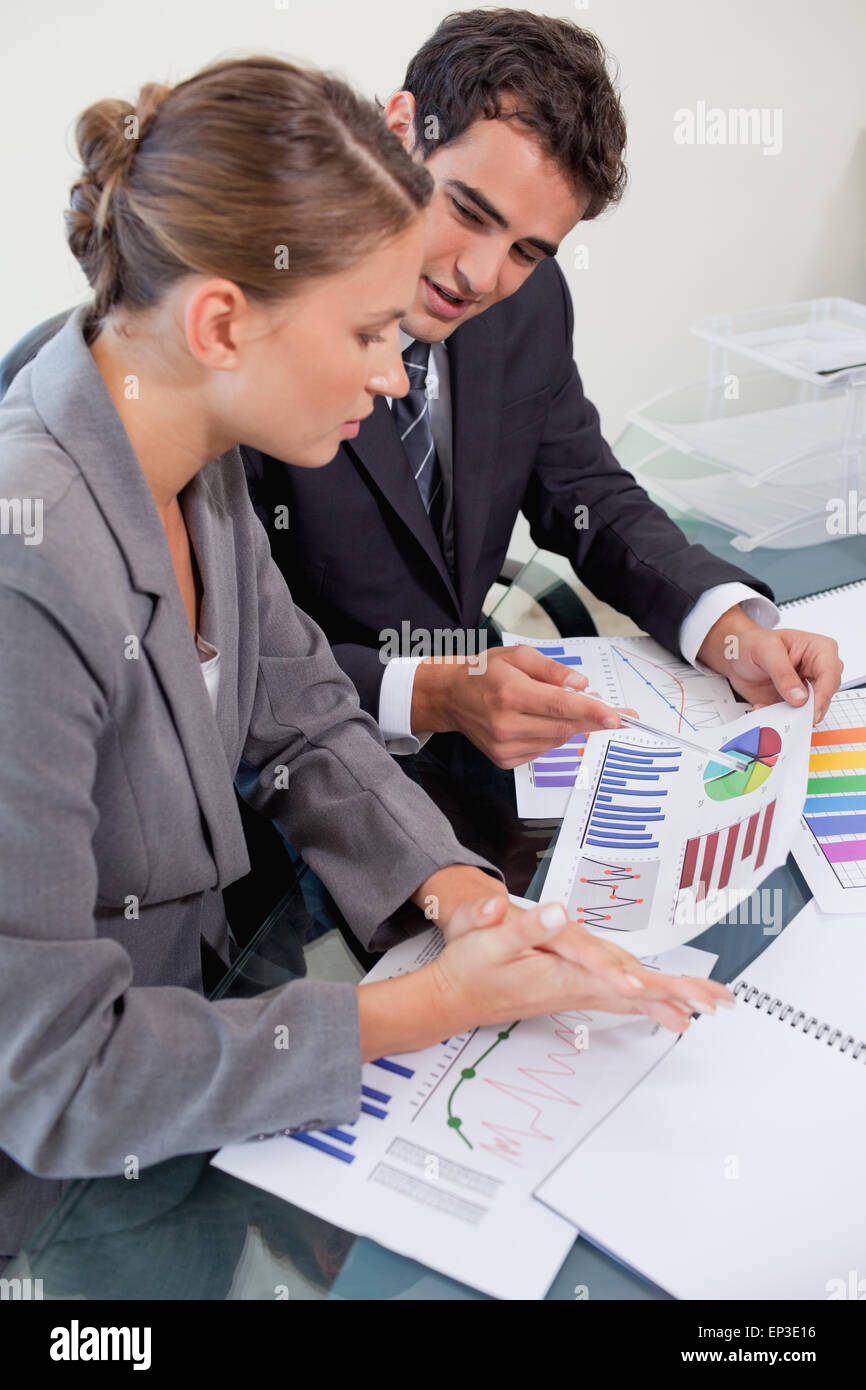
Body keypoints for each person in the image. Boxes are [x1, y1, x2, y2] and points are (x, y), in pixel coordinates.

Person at [0, 55, 731, 1265]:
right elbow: (58, 1080)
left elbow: (301, 719)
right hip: (58, 1195)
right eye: (367, 333)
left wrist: (474, 906)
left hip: (199, 1072)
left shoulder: (202, 454)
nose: (399, 373)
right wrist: (420, 1007)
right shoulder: (31, 563)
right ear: (223, 320)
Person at [243, 8, 843, 771]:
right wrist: (431, 692)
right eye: (466, 211)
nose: (481, 277)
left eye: (528, 249)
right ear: (400, 131)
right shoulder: (262, 325)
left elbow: (585, 490)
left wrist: (729, 626)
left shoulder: (528, 301)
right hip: (300, 771)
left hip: (473, 743)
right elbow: (227, 651)